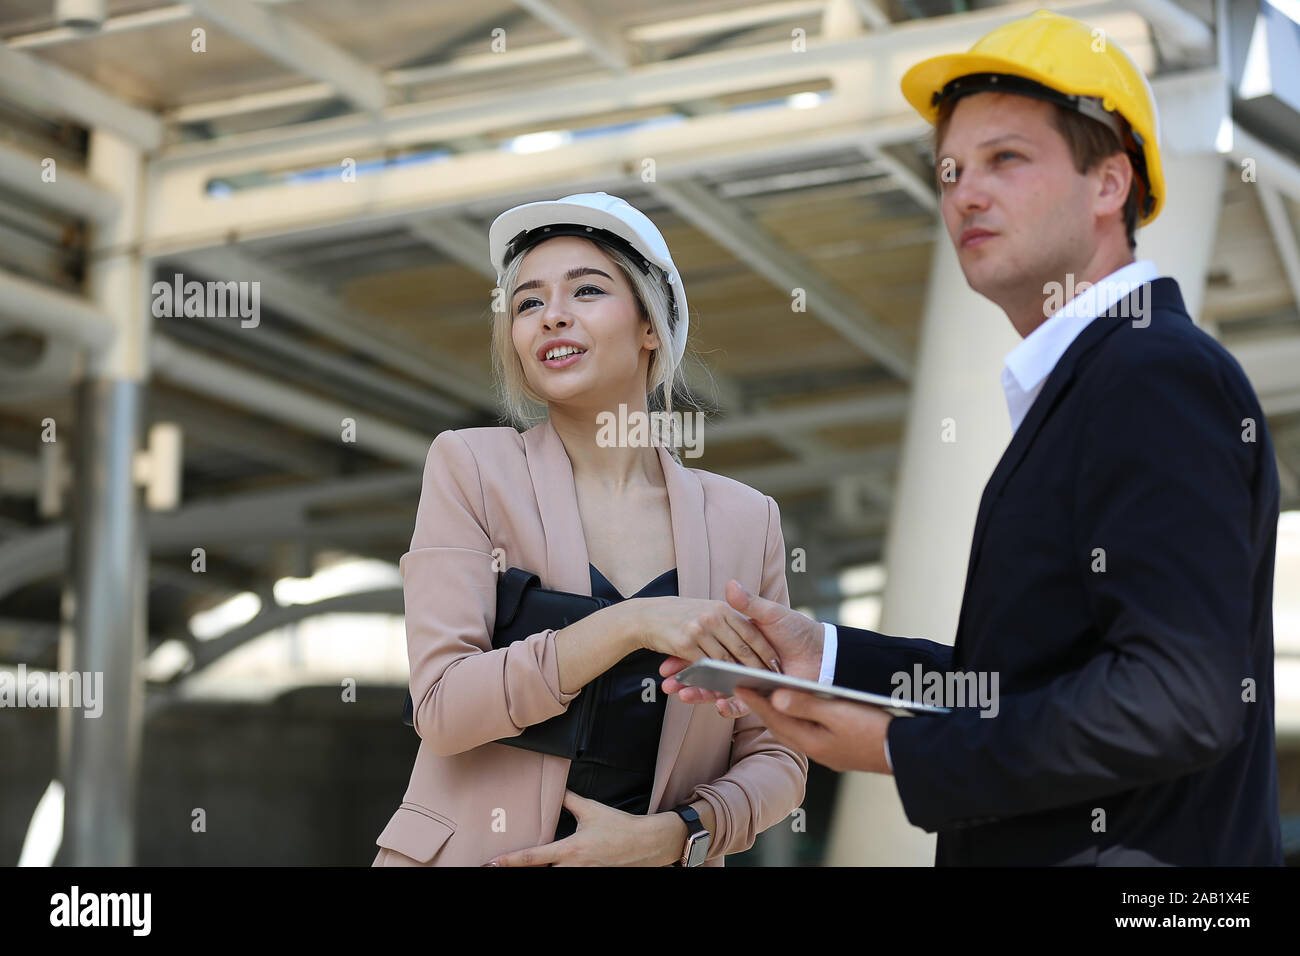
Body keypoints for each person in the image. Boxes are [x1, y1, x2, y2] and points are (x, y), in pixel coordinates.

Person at [663, 10, 1284, 866]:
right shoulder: (1103, 378)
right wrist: (832, 654)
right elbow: (1026, 686)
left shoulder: (1151, 375)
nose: (965, 193)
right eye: (951, 170)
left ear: (1109, 185)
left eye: (1006, 159)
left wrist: (895, 748)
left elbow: (1177, 697)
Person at [372, 192, 807, 867]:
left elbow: (775, 748)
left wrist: (682, 833)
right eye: (528, 303)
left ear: (650, 328)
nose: (553, 316)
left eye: (587, 290)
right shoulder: (472, 469)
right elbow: (443, 706)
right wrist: (629, 624)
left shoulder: (747, 521)